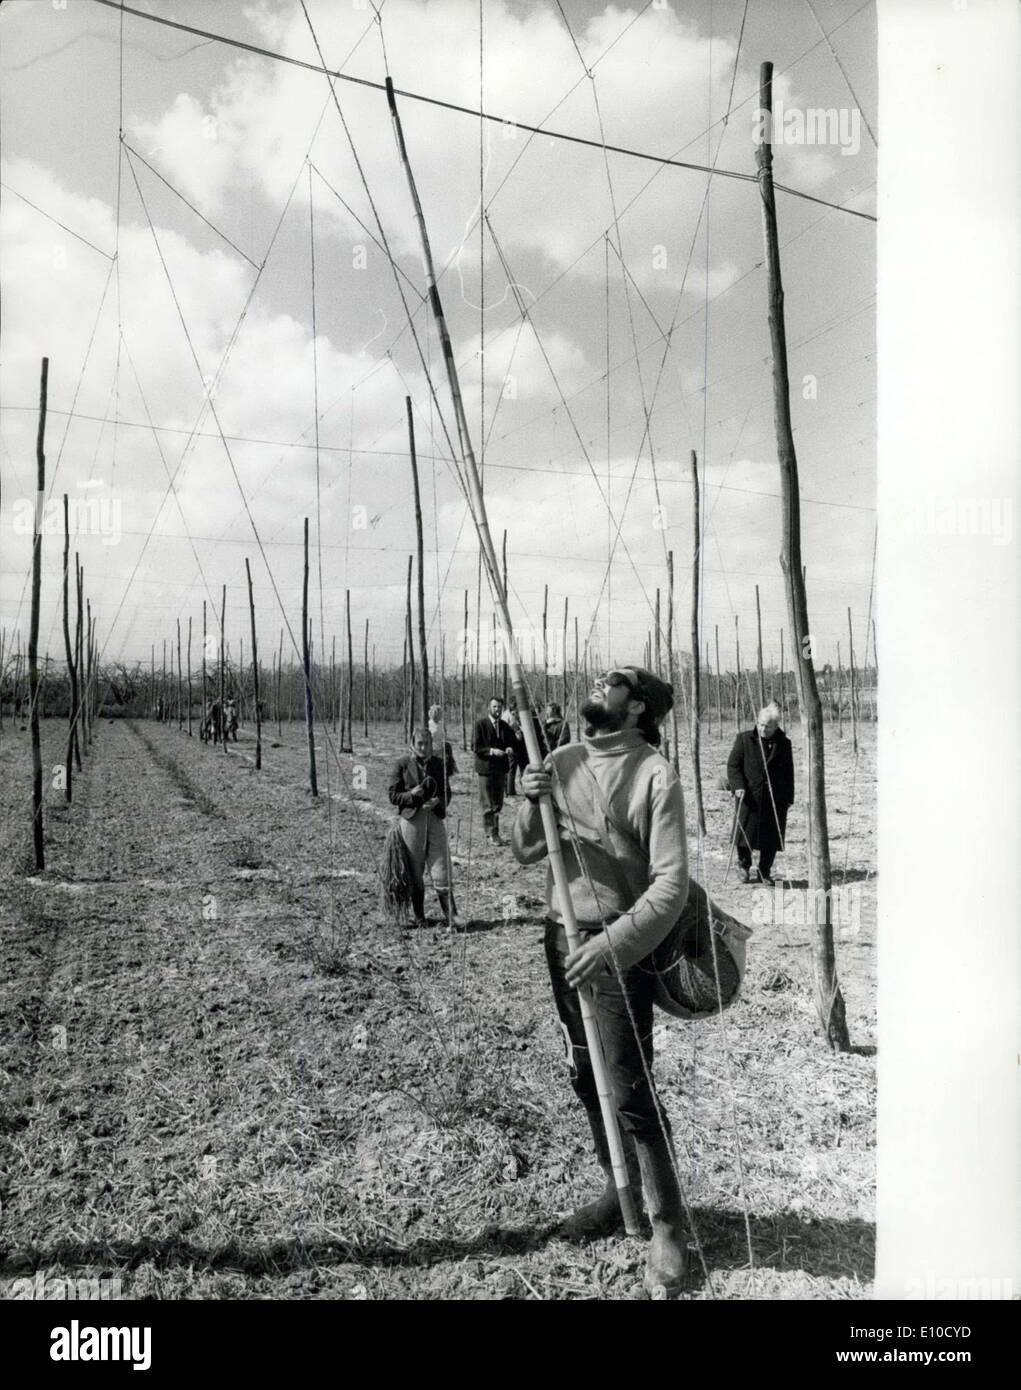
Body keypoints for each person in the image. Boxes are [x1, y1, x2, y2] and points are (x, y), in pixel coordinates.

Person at [512, 665, 691, 1297]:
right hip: (563, 936)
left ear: (638, 707)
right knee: (586, 1076)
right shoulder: (558, 759)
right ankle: (618, 1193)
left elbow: (670, 886)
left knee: (630, 1088)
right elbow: (526, 850)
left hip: (620, 948)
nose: (599, 682)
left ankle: (668, 1225)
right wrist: (530, 799)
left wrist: (611, 946)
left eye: (615, 681)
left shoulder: (653, 774)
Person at [387, 727, 461, 927]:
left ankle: (452, 916)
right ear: (412, 743)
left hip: (435, 820)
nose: (423, 747)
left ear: (431, 744)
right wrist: (412, 795)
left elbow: (447, 792)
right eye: (419, 743)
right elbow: (393, 795)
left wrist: (439, 802)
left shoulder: (438, 764)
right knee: (414, 869)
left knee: (442, 866)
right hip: (411, 822)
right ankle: (420, 917)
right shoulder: (401, 764)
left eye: (427, 743)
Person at [726, 701, 795, 886]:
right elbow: (733, 766)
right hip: (749, 795)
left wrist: (789, 797)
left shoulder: (784, 743)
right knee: (745, 833)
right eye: (761, 724)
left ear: (776, 725)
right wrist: (738, 786)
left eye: (768, 726)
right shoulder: (744, 739)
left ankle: (764, 871)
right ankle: (743, 866)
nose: (763, 729)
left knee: (771, 838)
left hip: (775, 798)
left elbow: (789, 771)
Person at [472, 696, 517, 844]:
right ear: (489, 708)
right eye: (494, 707)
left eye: (499, 707)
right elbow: (476, 747)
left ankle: (495, 832)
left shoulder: (504, 725)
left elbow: (511, 741)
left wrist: (510, 747)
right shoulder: (480, 724)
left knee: (498, 803)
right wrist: (492, 751)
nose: (497, 710)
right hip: (485, 769)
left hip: (500, 769)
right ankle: (490, 833)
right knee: (487, 803)